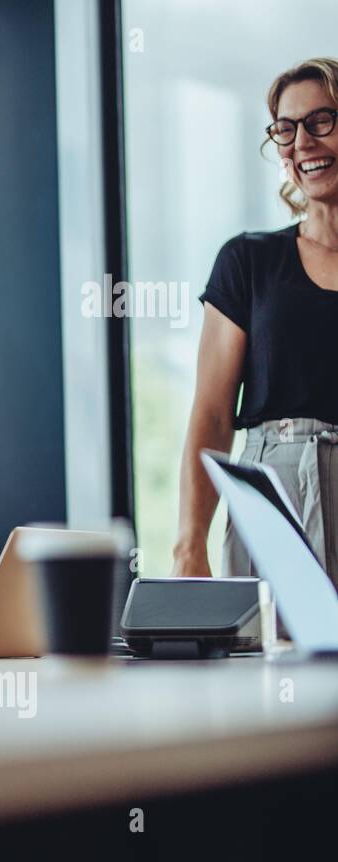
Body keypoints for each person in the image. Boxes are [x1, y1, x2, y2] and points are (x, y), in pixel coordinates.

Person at [174, 57, 338, 588]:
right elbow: (212, 413)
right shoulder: (248, 261)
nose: (302, 143)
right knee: (262, 662)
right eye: (286, 130)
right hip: (272, 497)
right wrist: (188, 545)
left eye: (321, 121)